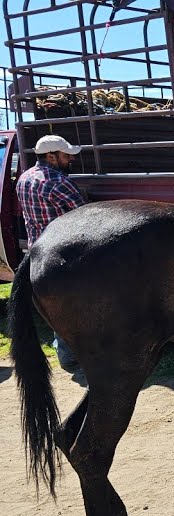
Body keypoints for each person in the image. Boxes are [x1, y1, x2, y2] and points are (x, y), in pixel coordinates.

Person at [17, 134, 87, 371]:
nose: (69, 160)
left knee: (54, 306)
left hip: (37, 250)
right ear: (51, 156)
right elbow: (84, 216)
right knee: (76, 304)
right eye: (66, 156)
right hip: (63, 252)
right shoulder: (58, 182)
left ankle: (66, 355)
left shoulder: (23, 179)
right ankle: (81, 354)